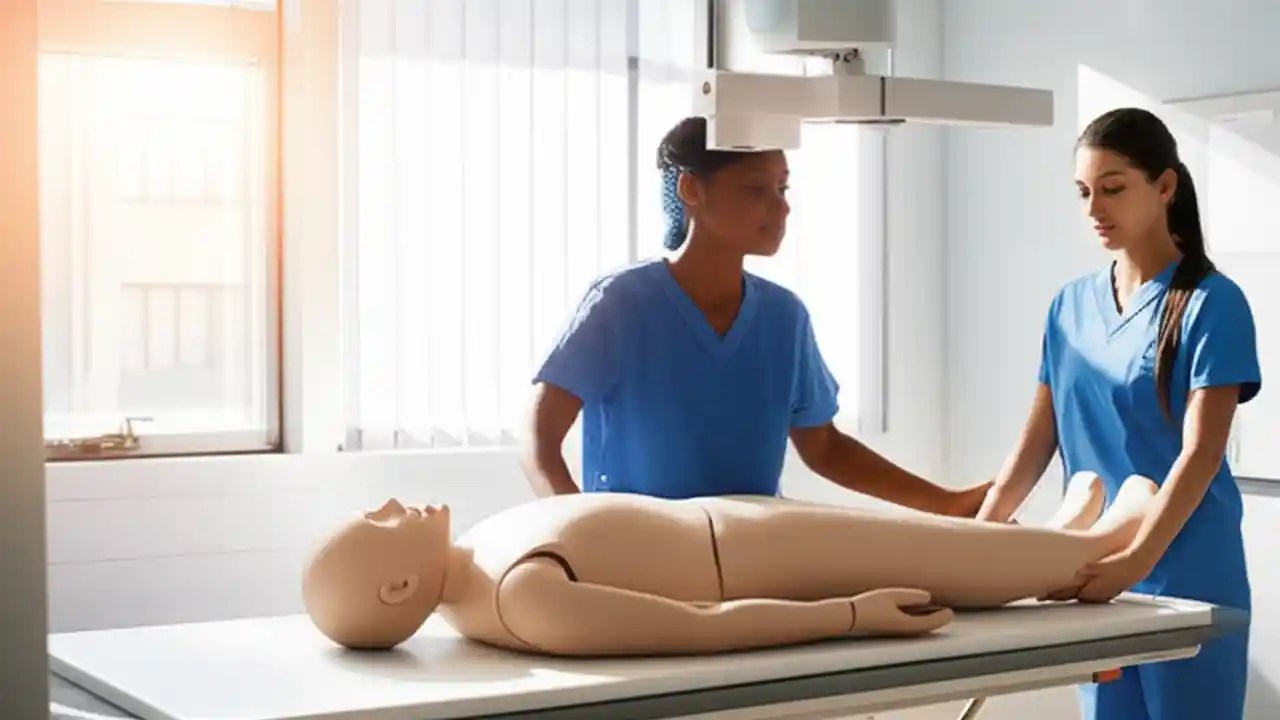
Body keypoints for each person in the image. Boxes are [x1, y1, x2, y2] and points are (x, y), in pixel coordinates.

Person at [520, 115, 989, 515]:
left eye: (783, 187)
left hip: (752, 560)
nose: (781, 206)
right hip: (641, 556)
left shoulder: (784, 318)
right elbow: (539, 442)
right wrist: (583, 537)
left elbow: (824, 448)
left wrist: (948, 504)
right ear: (691, 189)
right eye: (755, 188)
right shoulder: (620, 303)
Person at [975, 107, 1262, 720]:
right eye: (1083, 193)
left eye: (1113, 189)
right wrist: (975, 545)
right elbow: (1034, 447)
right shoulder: (1069, 307)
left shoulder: (1214, 304)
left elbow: (1202, 452)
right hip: (1094, 579)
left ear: (1165, 187)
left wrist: (1136, 562)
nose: (1094, 210)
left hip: (1187, 575)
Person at [301, 471, 1156, 656]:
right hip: (745, 560)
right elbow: (699, 629)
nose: (390, 506)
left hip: (731, 524)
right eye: (378, 525)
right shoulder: (526, 600)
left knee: (942, 543)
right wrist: (850, 615)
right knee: (938, 553)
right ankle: (1091, 548)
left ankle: (1059, 536)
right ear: (398, 587)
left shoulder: (474, 558)